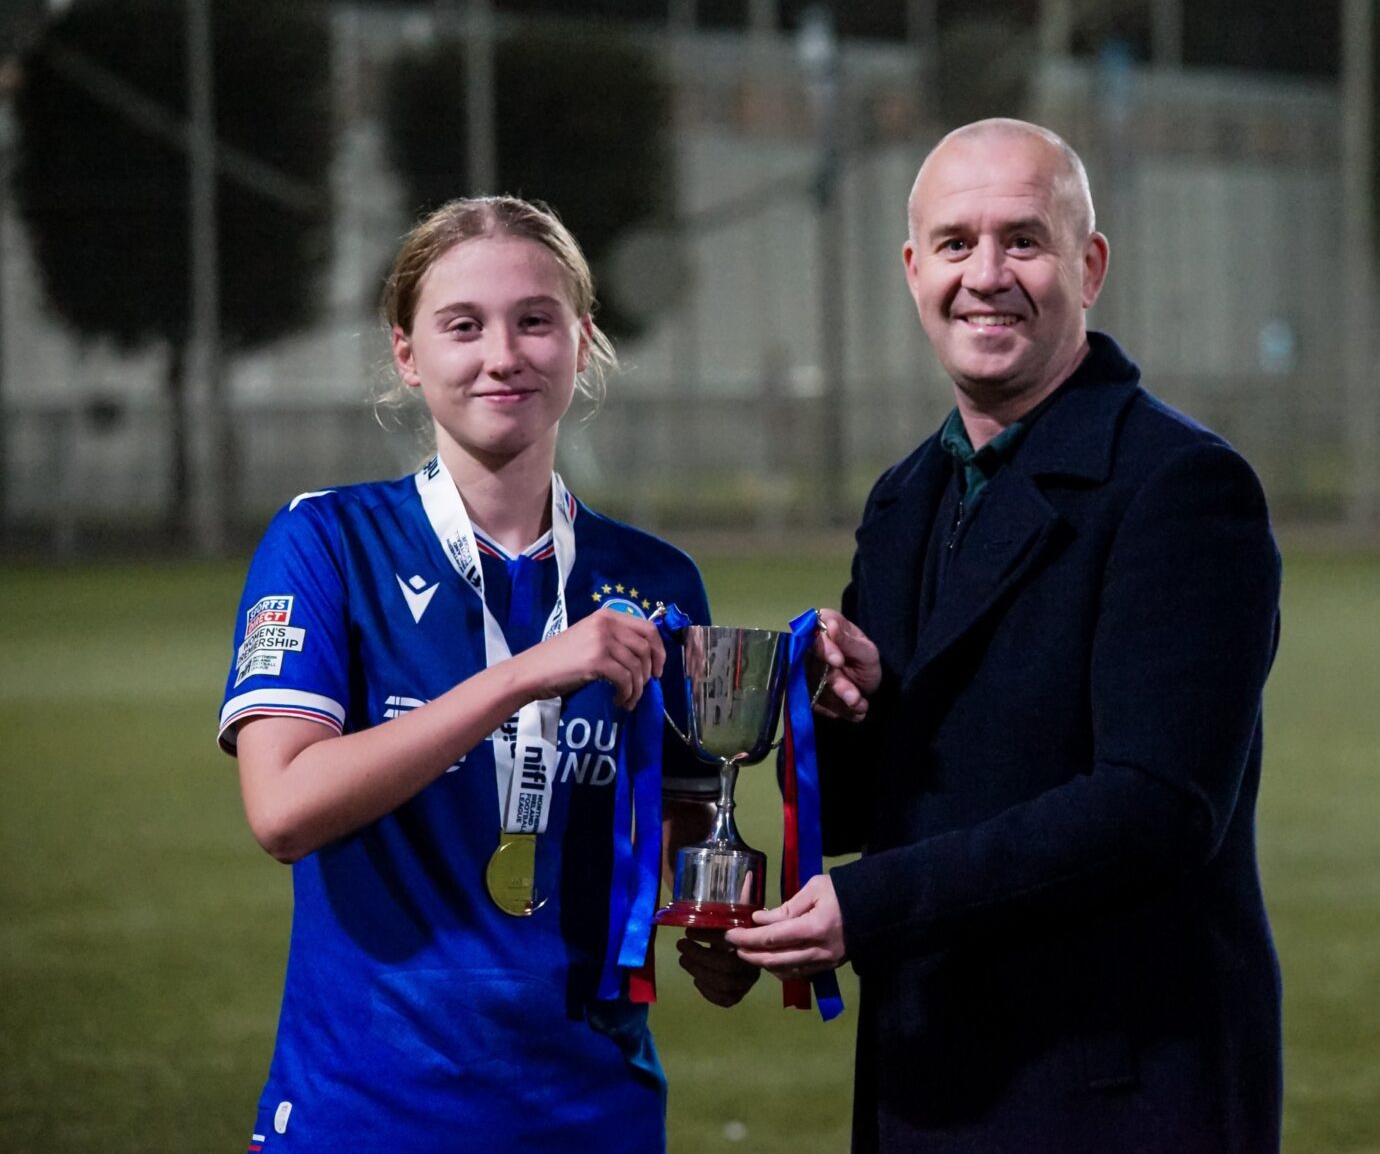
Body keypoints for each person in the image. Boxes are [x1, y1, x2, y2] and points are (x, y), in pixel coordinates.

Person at [727, 119, 1284, 1153]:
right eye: (955, 243)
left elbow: (1157, 806)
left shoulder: (1182, 485)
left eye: (1023, 240)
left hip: (1115, 1086)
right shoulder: (905, 498)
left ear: (1090, 265)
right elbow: (872, 807)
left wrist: (872, 905)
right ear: (913, 270)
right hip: (929, 1079)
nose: (985, 275)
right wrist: (845, 710)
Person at [218, 196, 756, 1153]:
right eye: (462, 325)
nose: (502, 355)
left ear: (582, 342)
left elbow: (678, 822)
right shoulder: (327, 542)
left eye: (534, 320)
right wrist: (523, 675)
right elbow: (284, 809)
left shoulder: (658, 582)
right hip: (366, 1110)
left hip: (595, 1112)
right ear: (407, 353)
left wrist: (714, 927)